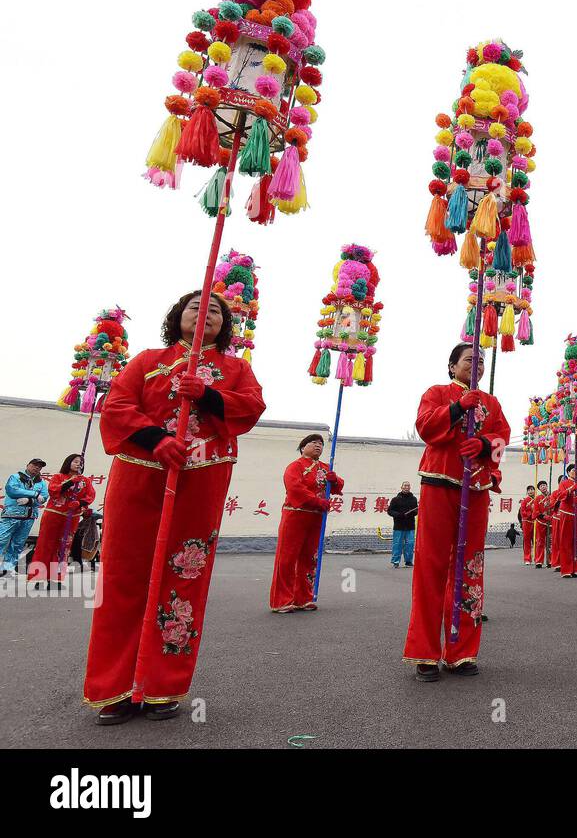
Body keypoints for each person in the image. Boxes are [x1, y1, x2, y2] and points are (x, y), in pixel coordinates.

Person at [84, 290, 266, 724]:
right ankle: (114, 687)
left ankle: (161, 685)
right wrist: (158, 439)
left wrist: (206, 394)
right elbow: (118, 406)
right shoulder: (147, 360)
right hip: (141, 472)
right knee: (124, 575)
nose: (206, 315)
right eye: (195, 307)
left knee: (184, 575)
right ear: (177, 316)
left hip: (201, 478)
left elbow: (252, 406)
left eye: (216, 311)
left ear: (225, 325)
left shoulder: (236, 369)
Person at [404, 343, 510, 681]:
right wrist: (455, 409)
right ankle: (425, 652)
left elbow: (502, 440)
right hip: (439, 484)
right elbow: (425, 427)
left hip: (475, 489)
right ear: (452, 367)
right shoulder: (436, 393)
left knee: (471, 568)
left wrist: (483, 445)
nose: (475, 365)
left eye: (480, 361)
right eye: (468, 360)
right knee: (431, 566)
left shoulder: (491, 403)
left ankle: (461, 651)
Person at [270, 434, 344, 613]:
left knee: (309, 558)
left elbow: (337, 486)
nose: (318, 446)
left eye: (321, 444)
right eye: (314, 443)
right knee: (287, 558)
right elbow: (295, 489)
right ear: (303, 447)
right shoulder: (295, 466)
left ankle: (303, 597)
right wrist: (318, 501)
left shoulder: (326, 468)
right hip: (296, 515)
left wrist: (335, 481)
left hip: (316, 517)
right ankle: (282, 600)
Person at [27, 455, 95, 586]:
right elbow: (53, 491)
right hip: (54, 515)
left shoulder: (85, 481)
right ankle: (39, 577)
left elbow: (90, 496)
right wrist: (71, 482)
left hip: (72, 516)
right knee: (46, 544)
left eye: (81, 462)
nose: (78, 464)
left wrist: (79, 503)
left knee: (64, 546)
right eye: (75, 461)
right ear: (68, 462)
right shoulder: (58, 477)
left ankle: (56, 578)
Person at [1, 459, 50, 577]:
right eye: (34, 465)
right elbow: (12, 490)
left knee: (18, 543)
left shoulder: (41, 483)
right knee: (2, 539)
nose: (36, 468)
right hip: (11, 515)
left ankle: (8, 567)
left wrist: (29, 500)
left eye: (39, 467)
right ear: (28, 465)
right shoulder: (16, 477)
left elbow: (44, 497)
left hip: (29, 517)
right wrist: (34, 495)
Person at [552, 463, 577, 578]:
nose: (576, 472)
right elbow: (560, 496)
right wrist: (570, 490)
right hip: (567, 514)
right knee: (566, 541)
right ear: (568, 472)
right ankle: (567, 569)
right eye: (573, 470)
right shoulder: (564, 483)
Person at [387, 481, 418, 568]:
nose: (406, 487)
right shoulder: (396, 499)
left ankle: (408, 561)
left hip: (410, 526)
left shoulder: (413, 499)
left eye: (408, 486)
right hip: (398, 526)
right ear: (401, 487)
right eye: (405, 486)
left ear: (410, 487)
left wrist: (413, 513)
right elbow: (390, 511)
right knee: (397, 544)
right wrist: (398, 515)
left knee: (410, 544)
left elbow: (416, 511)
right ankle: (395, 561)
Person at [532, 481, 551, 568]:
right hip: (541, 522)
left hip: (550, 523)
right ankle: (539, 561)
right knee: (540, 542)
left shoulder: (551, 496)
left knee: (550, 542)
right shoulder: (537, 498)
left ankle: (550, 561)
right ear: (539, 488)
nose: (543, 487)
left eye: (544, 485)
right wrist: (543, 516)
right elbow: (535, 511)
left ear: (547, 486)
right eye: (541, 486)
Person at [519, 485, 537, 565]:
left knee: (536, 541)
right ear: (527, 492)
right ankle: (527, 558)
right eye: (529, 490)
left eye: (532, 489)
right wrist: (531, 512)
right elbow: (523, 513)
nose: (531, 491)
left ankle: (537, 558)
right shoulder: (525, 501)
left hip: (536, 522)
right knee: (527, 541)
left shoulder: (537, 500)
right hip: (527, 522)